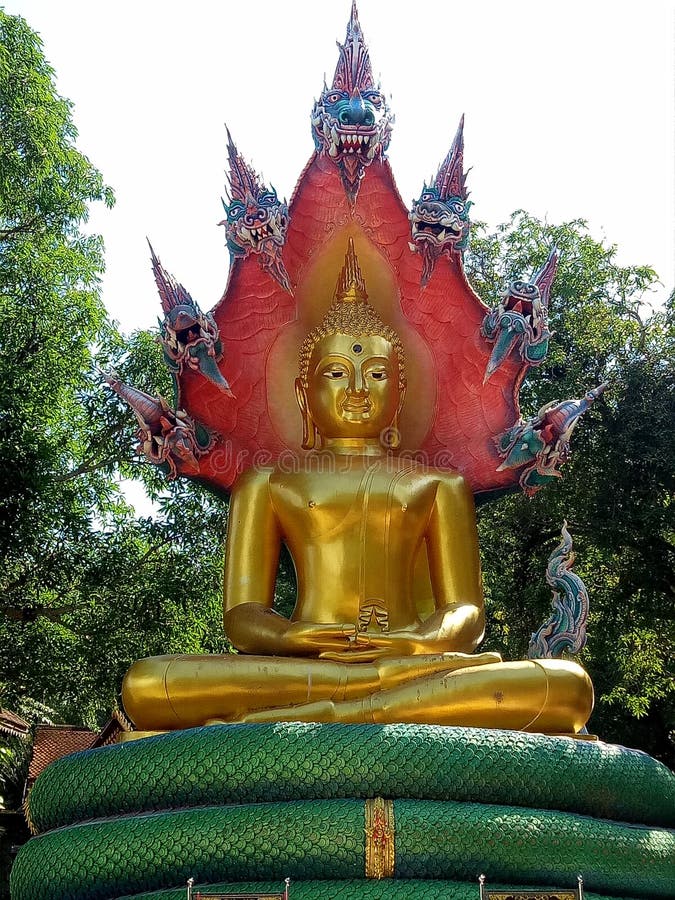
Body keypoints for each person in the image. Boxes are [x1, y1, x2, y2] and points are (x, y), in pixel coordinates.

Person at [122, 240, 593, 734]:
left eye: (375, 375)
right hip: (308, 664)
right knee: (149, 683)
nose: (357, 392)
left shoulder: (437, 484)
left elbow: (466, 613)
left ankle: (335, 712)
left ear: (400, 390)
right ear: (305, 391)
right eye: (337, 374)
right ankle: (372, 707)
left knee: (566, 686)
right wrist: (300, 638)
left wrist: (414, 643)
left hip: (411, 662)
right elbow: (243, 615)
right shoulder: (265, 483)